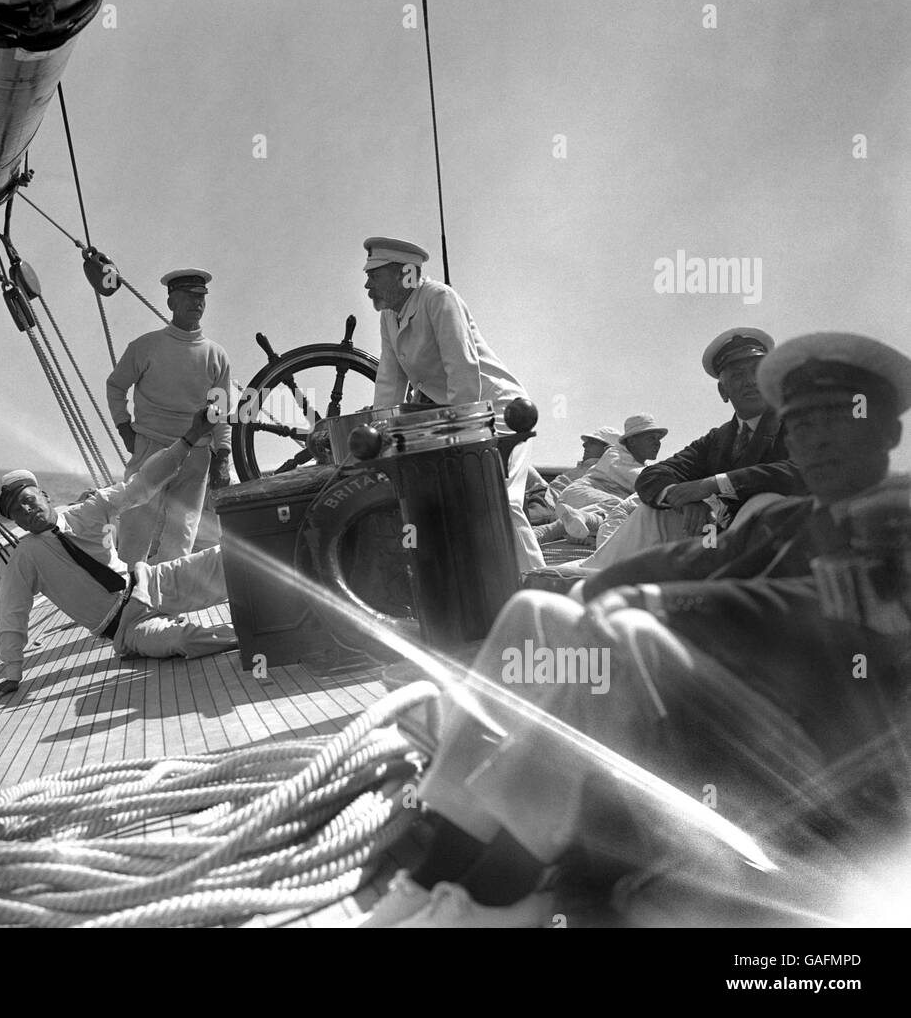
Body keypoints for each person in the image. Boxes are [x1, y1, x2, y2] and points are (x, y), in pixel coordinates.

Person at [356, 331, 911, 928]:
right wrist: (584, 589)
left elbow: (801, 609)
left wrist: (651, 604)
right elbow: (692, 562)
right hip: (746, 724)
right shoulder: (784, 517)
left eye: (834, 418)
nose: (814, 438)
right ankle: (442, 859)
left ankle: (500, 891)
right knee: (535, 619)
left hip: (830, 770)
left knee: (623, 639)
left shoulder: (894, 519)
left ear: (887, 433)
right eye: (800, 424)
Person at [0, 407, 237, 698]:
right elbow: (12, 608)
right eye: (17, 512)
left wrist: (190, 438)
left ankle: (292, 583)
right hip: (128, 627)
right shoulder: (26, 556)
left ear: (45, 496)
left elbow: (140, 486)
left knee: (226, 560)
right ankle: (245, 634)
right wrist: (12, 672)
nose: (26, 511)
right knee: (183, 641)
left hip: (149, 583)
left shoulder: (88, 511)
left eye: (28, 500)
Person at [363, 236, 544, 572]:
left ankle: (540, 587)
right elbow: (389, 382)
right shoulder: (390, 317)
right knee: (457, 504)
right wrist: (376, 437)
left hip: (497, 412)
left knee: (498, 499)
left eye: (373, 276)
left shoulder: (439, 299)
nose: (366, 285)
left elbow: (462, 369)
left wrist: (462, 436)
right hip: (456, 418)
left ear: (403, 273)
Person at [581, 327, 803, 569]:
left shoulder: (798, 422)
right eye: (738, 375)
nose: (750, 381)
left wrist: (712, 484)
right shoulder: (718, 439)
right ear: (723, 391)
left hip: (782, 553)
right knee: (652, 512)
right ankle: (592, 579)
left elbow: (801, 470)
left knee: (763, 502)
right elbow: (652, 476)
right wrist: (684, 499)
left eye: (757, 372)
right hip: (716, 542)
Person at [106, 269, 232, 566]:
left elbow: (221, 410)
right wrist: (124, 426)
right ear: (171, 302)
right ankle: (127, 596)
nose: (196, 302)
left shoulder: (217, 355)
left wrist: (223, 454)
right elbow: (115, 386)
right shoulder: (145, 347)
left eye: (201, 297)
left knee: (183, 533)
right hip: (151, 447)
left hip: (197, 455)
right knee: (136, 527)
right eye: (188, 296)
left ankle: (171, 605)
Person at [554, 415, 667, 542]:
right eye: (651, 438)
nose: (657, 443)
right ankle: (567, 523)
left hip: (592, 503)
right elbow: (646, 482)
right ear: (632, 441)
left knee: (627, 511)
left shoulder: (640, 465)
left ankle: (581, 528)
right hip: (578, 495)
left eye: (659, 439)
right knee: (620, 509)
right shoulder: (616, 455)